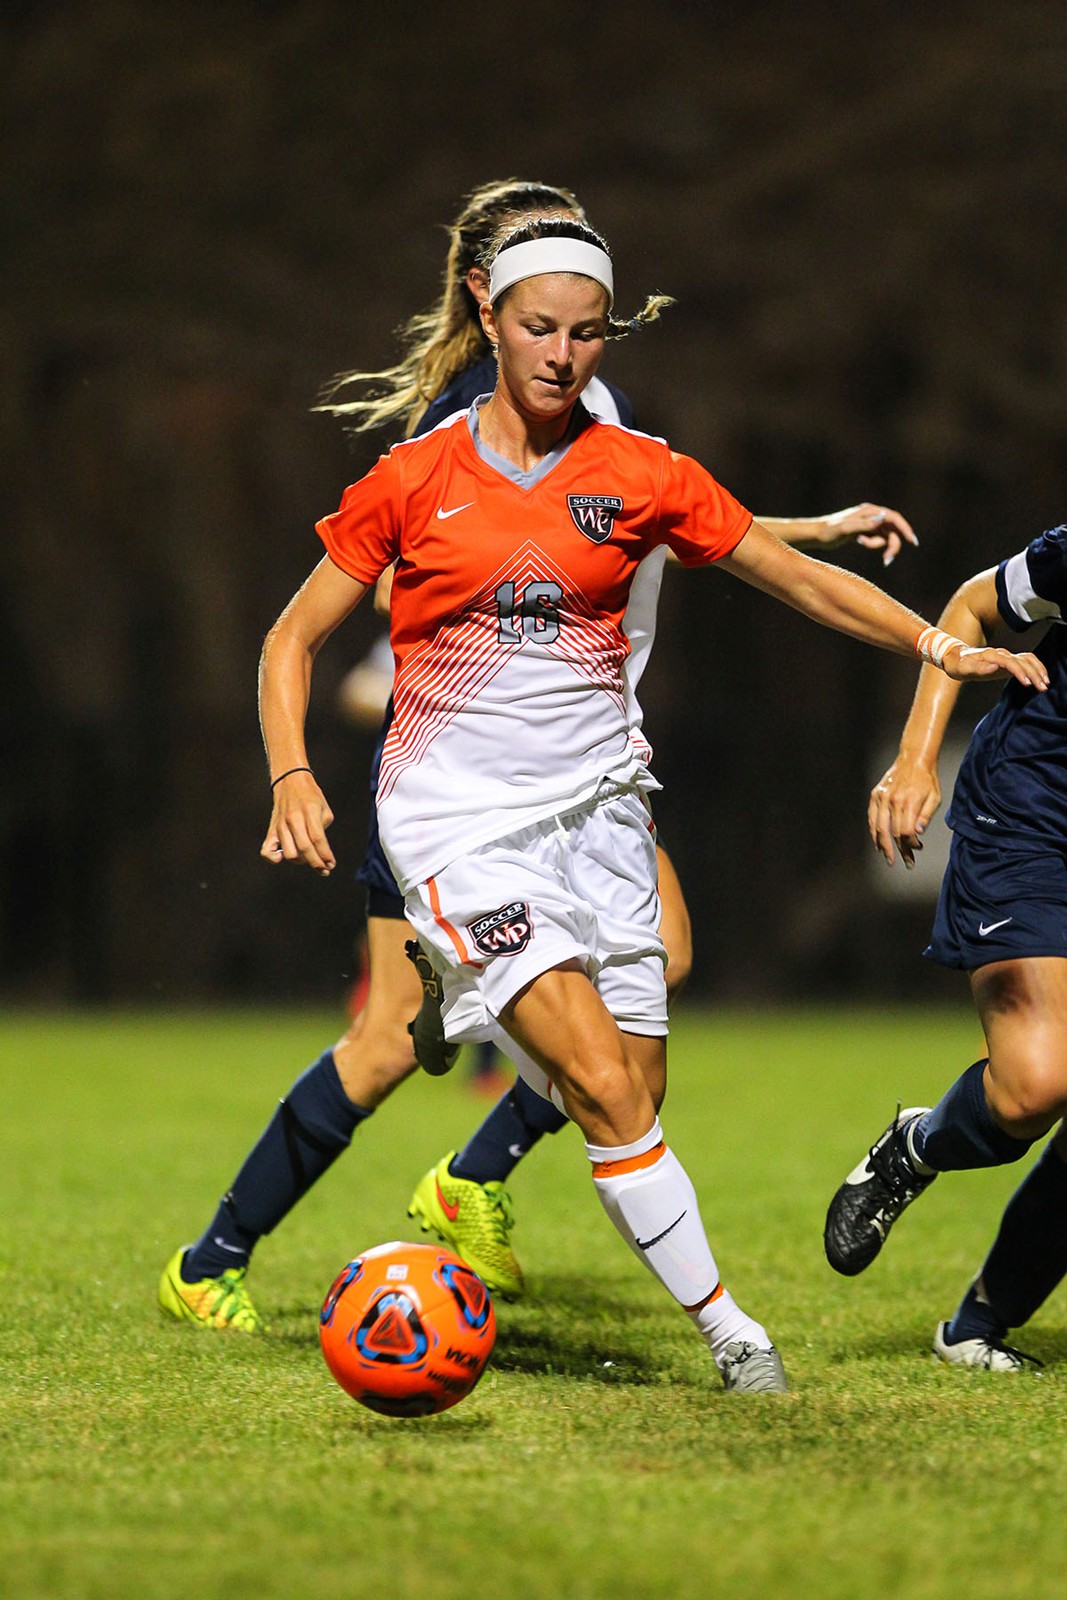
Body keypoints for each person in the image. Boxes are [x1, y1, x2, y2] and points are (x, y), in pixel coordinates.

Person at [249, 213, 1044, 1395]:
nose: (561, 353)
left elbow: (794, 579)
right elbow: (291, 638)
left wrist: (936, 643)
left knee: (630, 1084)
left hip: (603, 814)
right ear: (487, 315)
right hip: (459, 823)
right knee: (609, 1092)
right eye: (538, 328)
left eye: (584, 333)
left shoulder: (640, 471)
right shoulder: (416, 477)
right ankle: (735, 1338)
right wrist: (292, 774)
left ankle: (466, 1003)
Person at [157, 178, 918, 1332]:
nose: (563, 337)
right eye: (540, 302)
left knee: (655, 964)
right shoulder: (469, 414)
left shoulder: (597, 401)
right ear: (491, 295)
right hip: (465, 783)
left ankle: (472, 1170)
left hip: (586, 777)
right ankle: (214, 1255)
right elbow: (420, 570)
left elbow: (667, 519)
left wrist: (807, 531)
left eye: (583, 307)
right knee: (383, 1045)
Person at [824, 529, 1066, 1372]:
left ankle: (974, 1328)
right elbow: (969, 605)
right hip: (1032, 818)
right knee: (1036, 1085)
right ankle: (917, 1146)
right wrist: (915, 759)